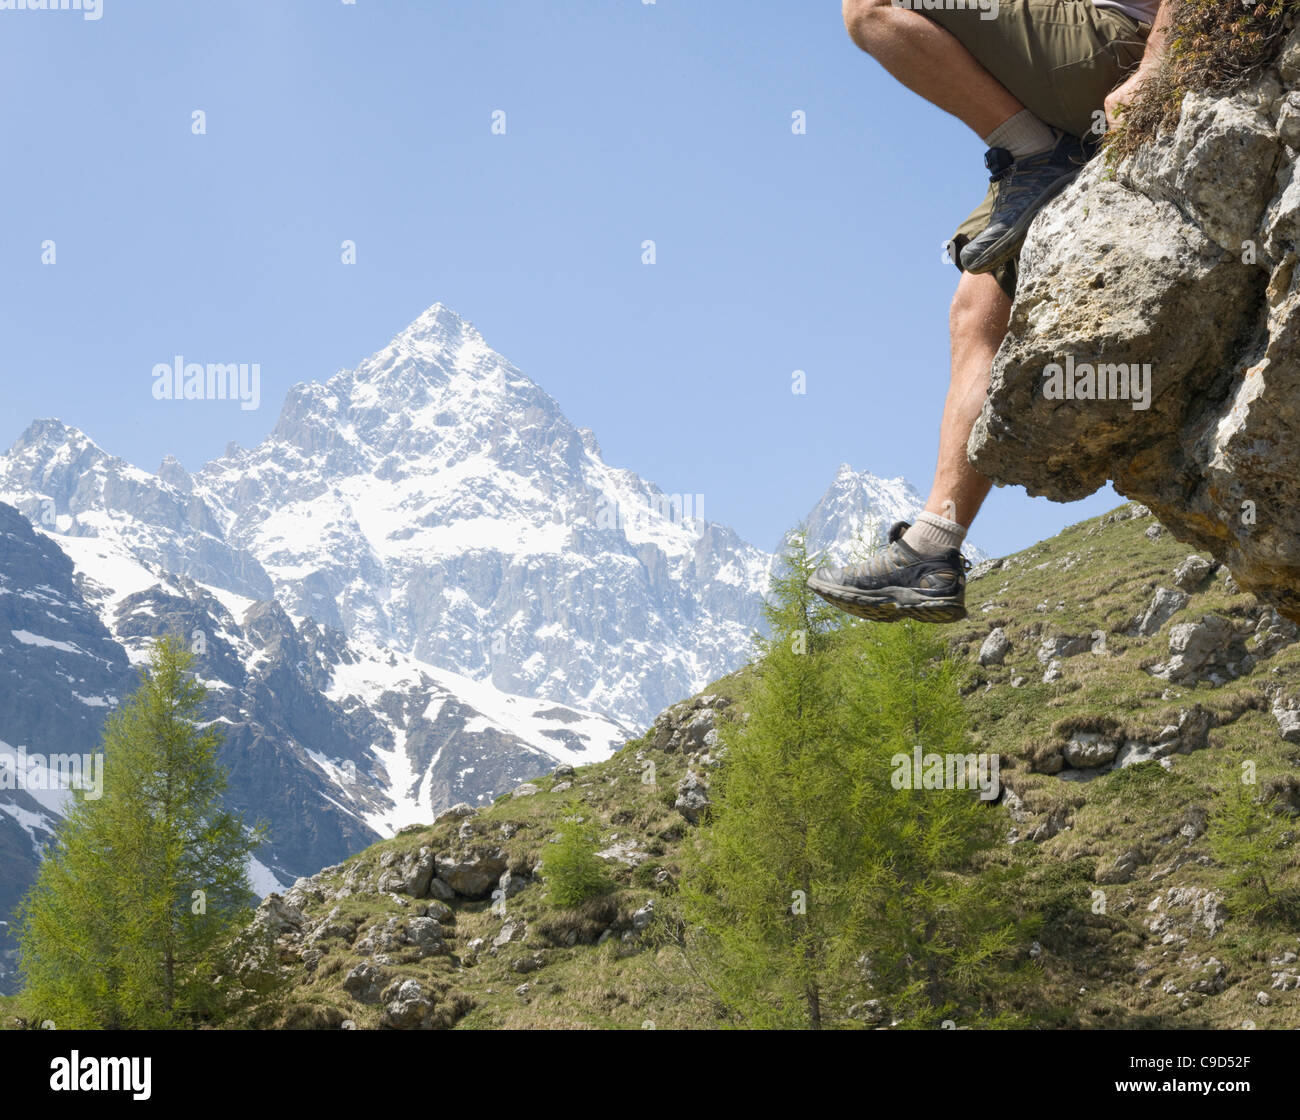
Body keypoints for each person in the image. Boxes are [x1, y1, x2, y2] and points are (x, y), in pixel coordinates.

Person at [808, 0, 1169, 622]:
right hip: (1086, 74)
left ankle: (1034, 149)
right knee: (978, 311)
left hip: (1122, 48)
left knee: (872, 7)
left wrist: (1156, 69)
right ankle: (933, 550)